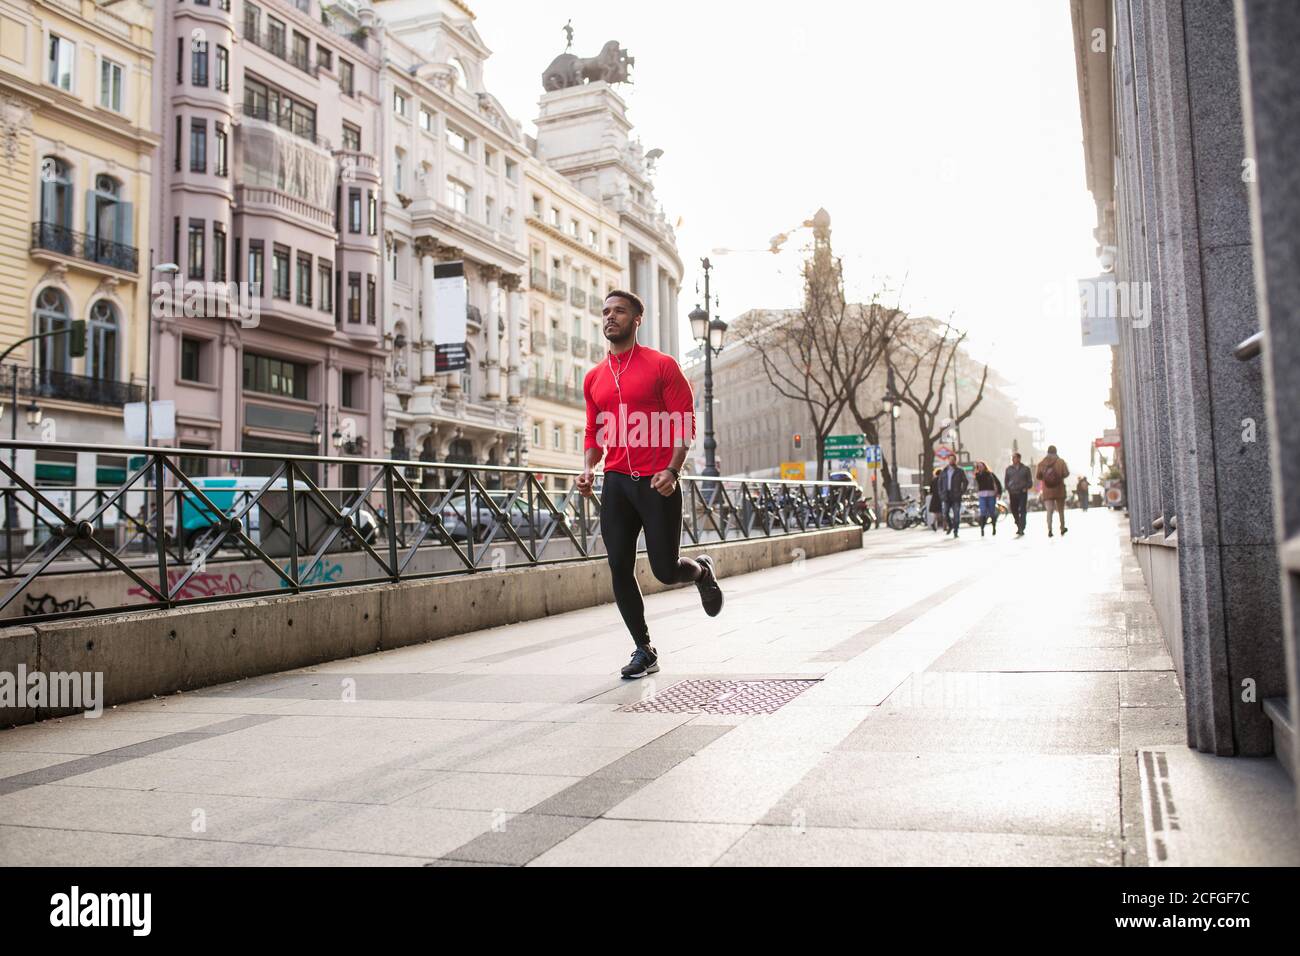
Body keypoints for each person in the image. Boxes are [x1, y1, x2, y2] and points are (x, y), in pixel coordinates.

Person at [576, 290, 723, 680]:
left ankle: (701, 573)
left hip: (659, 483)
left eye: (619, 311)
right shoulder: (594, 377)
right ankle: (644, 648)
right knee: (618, 566)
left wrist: (673, 470)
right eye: (606, 312)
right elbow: (593, 433)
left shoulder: (662, 366)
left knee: (664, 569)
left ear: (637, 319)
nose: (610, 317)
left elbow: (684, 420)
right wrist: (589, 467)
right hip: (617, 484)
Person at [1036, 444, 1070, 537]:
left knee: (1049, 511)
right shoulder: (1061, 462)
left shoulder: (1042, 463)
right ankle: (1062, 528)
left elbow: (1038, 476)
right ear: (1056, 452)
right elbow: (1066, 473)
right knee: (1061, 510)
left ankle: (1050, 530)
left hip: (1047, 490)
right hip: (1059, 489)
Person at [937, 456, 968, 538]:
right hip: (946, 495)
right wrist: (941, 493)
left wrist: (961, 492)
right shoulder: (944, 471)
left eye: (953, 460)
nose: (951, 461)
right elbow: (939, 483)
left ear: (955, 460)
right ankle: (950, 525)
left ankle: (956, 531)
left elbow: (965, 482)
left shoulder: (959, 471)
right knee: (945, 513)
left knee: (956, 514)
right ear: (948, 460)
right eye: (950, 459)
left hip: (956, 496)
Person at [1004, 452, 1032, 537]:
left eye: (1014, 458)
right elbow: (1006, 481)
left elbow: (1030, 481)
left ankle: (1022, 526)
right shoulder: (1009, 469)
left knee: (1022, 509)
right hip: (1012, 492)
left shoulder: (1026, 469)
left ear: (1019, 459)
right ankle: (1018, 524)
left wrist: (1026, 487)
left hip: (1022, 492)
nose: (1013, 459)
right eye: (1012, 458)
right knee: (1014, 509)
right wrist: (1008, 489)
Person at [972, 460, 1002, 536]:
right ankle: (982, 529)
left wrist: (999, 493)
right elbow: (975, 485)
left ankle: (994, 527)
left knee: (992, 512)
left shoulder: (990, 474)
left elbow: (998, 483)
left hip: (991, 494)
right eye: (979, 466)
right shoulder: (977, 475)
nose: (980, 467)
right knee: (983, 512)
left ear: (985, 466)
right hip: (982, 495)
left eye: (982, 466)